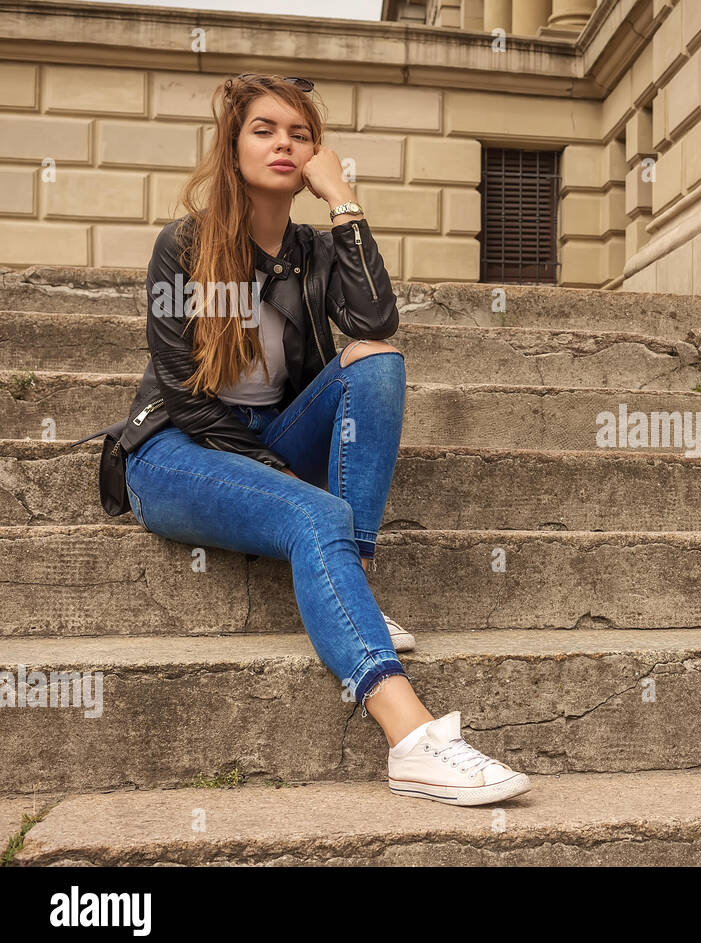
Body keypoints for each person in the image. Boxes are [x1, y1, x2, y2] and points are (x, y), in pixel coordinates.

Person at [112, 73, 529, 807]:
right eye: (265, 130)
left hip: (271, 433)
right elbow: (183, 394)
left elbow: (374, 324)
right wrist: (291, 481)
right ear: (232, 146)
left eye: (300, 134)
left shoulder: (313, 249)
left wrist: (343, 203)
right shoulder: (183, 246)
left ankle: (352, 583)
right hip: (177, 451)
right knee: (315, 514)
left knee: (375, 362)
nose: (284, 144)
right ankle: (413, 740)